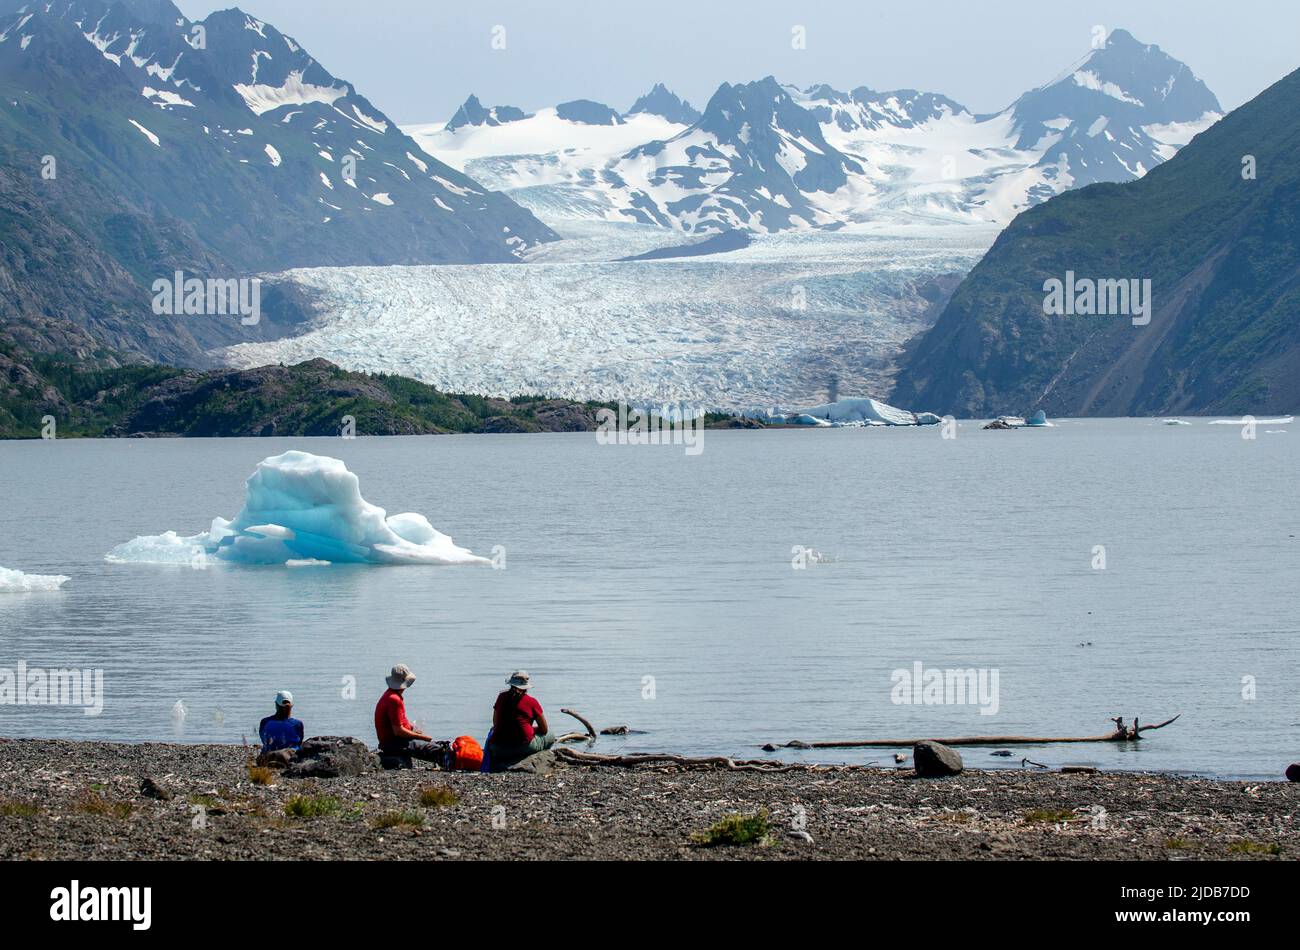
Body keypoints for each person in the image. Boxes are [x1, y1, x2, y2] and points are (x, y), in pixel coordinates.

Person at [374, 664, 443, 768]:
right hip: (392, 743)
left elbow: (399, 722)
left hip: (391, 741)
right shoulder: (394, 699)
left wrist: (412, 729)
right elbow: (398, 731)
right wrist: (422, 737)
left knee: (434, 745)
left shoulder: (390, 694)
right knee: (433, 749)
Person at [488, 670, 555, 770]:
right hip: (523, 747)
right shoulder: (531, 702)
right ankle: (541, 759)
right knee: (550, 734)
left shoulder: (501, 697)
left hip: (498, 748)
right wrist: (532, 730)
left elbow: (495, 722)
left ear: (511, 684)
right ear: (525, 687)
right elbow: (544, 729)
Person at [258, 690, 304, 759]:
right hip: (291, 758)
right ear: (292, 706)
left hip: (267, 757)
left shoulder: (265, 722)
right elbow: (299, 742)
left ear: (276, 704)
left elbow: (264, 740)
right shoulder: (297, 724)